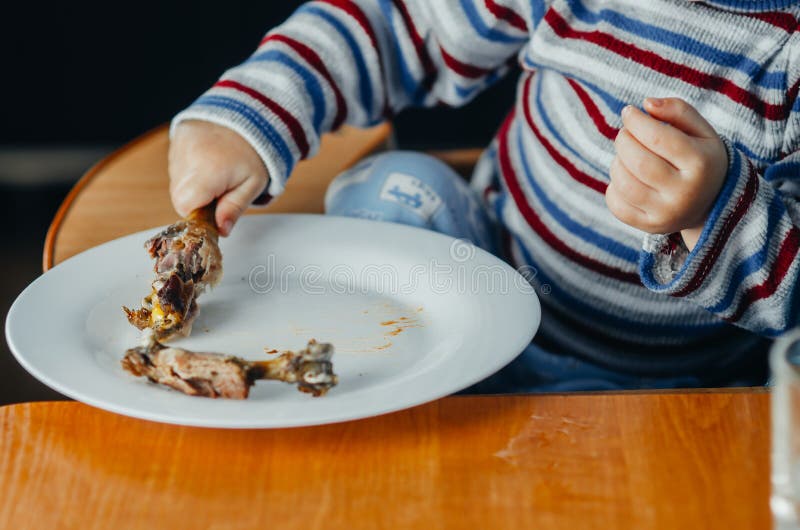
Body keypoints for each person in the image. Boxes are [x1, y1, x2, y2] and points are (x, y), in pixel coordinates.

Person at [167, 0, 800, 391]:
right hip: (483, 277)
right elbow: (400, 24)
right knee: (393, 188)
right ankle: (371, 373)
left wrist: (716, 210)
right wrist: (253, 110)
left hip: (645, 387)